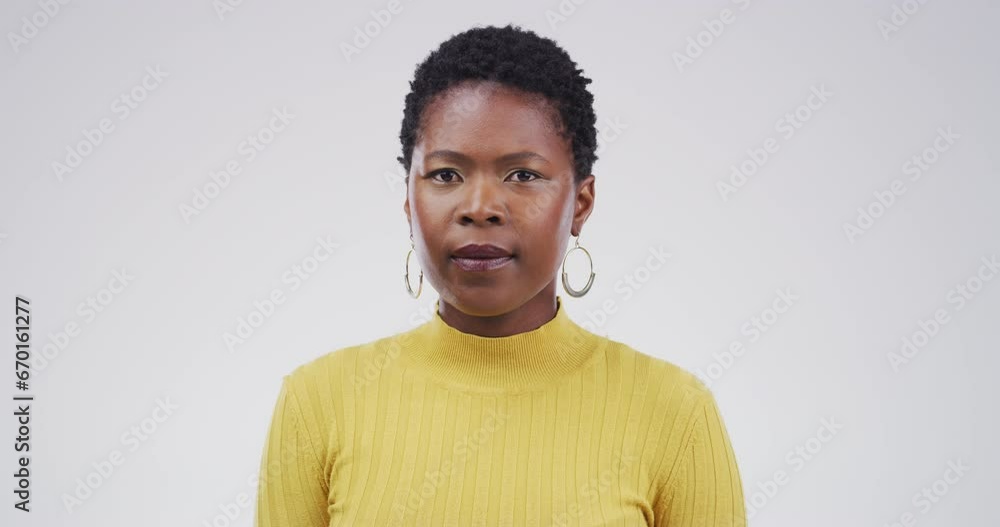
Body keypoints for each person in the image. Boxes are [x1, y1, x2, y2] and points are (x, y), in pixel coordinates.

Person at [255, 23, 746, 526]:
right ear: (408, 199)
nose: (481, 207)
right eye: (446, 174)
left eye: (523, 176)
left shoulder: (675, 414)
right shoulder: (316, 403)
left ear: (581, 202)